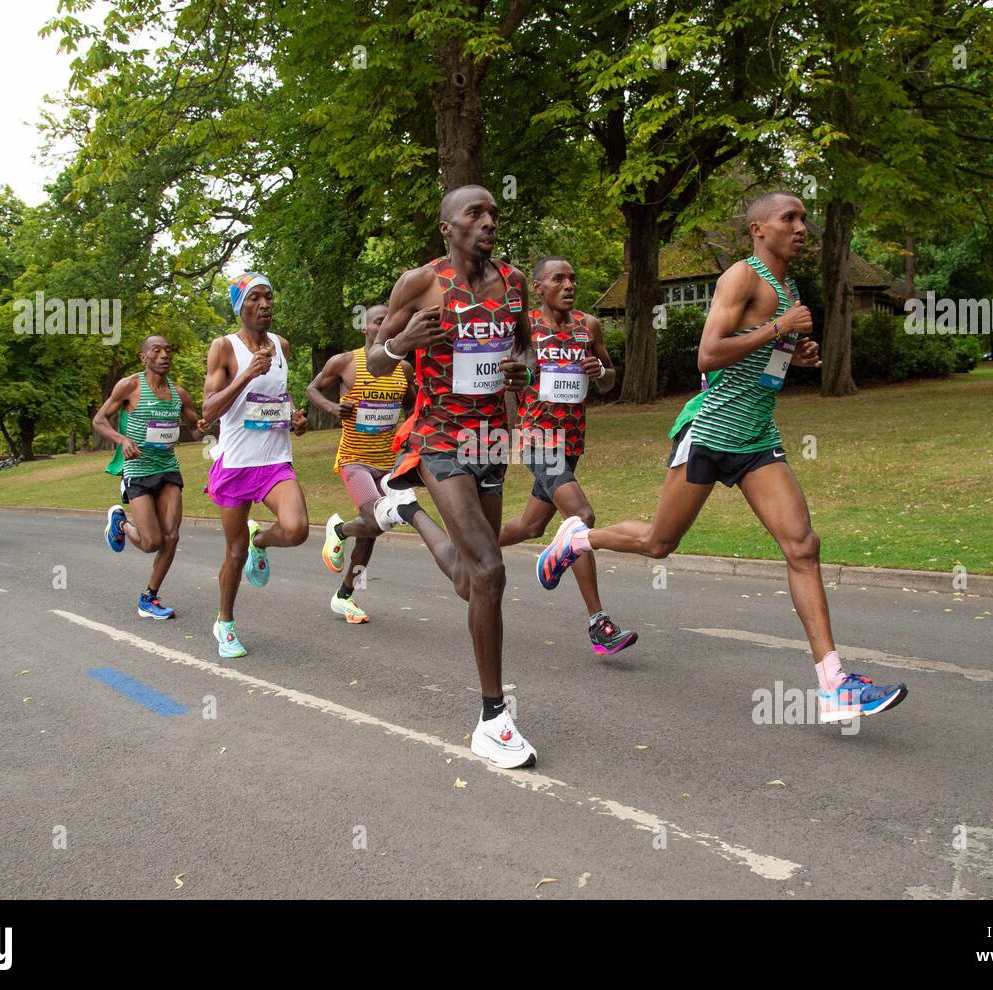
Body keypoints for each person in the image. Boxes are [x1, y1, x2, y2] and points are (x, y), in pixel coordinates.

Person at [536, 190, 908, 723]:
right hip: (710, 431)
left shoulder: (787, 285)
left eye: (804, 218)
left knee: (802, 544)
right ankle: (578, 537)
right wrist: (780, 329)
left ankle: (834, 683)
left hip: (755, 436)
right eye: (790, 218)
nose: (802, 227)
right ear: (759, 228)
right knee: (658, 543)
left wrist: (791, 356)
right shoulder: (742, 276)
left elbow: (754, 361)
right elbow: (707, 354)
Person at [366, 184, 539, 768]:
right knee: (491, 571)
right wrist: (401, 342)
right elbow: (374, 359)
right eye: (475, 213)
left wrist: (521, 369)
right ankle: (493, 718)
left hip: (490, 438)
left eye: (493, 212)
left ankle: (404, 511)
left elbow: (523, 350)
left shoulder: (514, 284)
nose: (488, 221)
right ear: (448, 227)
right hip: (439, 436)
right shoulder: (422, 283)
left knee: (472, 581)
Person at [497, 256, 636, 655]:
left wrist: (600, 373)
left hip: (571, 442)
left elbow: (610, 382)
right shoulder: (523, 328)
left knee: (530, 526)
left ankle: (467, 548)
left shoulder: (588, 326)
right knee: (582, 517)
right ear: (538, 287)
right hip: (536, 438)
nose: (569, 284)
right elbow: (505, 382)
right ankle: (599, 623)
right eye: (558, 279)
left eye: (573, 278)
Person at [201, 272, 310, 658]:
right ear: (240, 306)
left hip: (275, 461)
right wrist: (246, 374)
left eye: (268, 297)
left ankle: (260, 540)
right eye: (254, 299)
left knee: (296, 529)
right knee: (233, 553)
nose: (264, 305)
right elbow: (209, 408)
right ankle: (225, 622)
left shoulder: (281, 345)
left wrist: (296, 416)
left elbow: (280, 394)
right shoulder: (224, 348)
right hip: (236, 464)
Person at [306, 304, 417, 623]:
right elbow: (312, 388)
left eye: (393, 322)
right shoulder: (344, 362)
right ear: (365, 328)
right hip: (354, 459)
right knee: (375, 519)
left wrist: (409, 430)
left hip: (387, 462)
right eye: (380, 321)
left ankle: (344, 597)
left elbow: (411, 404)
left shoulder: (403, 369)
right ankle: (339, 530)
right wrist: (331, 406)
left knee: (373, 529)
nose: (388, 326)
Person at [94, 335, 207, 619]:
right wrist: (121, 439)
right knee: (151, 542)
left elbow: (196, 428)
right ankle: (122, 524)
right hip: (138, 470)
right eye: (156, 351)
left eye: (168, 350)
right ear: (144, 357)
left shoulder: (179, 394)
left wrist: (206, 426)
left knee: (171, 537)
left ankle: (149, 597)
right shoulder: (130, 386)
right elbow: (98, 420)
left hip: (168, 468)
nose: (164, 355)